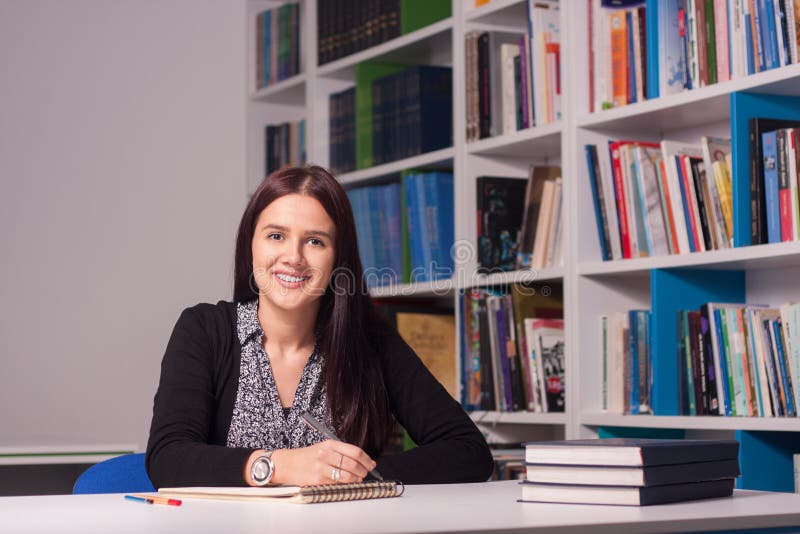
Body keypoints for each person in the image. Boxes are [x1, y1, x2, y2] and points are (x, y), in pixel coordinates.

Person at [146, 165, 493, 488]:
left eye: (315, 241)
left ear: (338, 257)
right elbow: (167, 457)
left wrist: (357, 475)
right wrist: (278, 466)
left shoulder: (370, 340)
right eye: (276, 235)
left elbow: (469, 451)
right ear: (251, 243)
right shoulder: (204, 330)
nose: (294, 257)